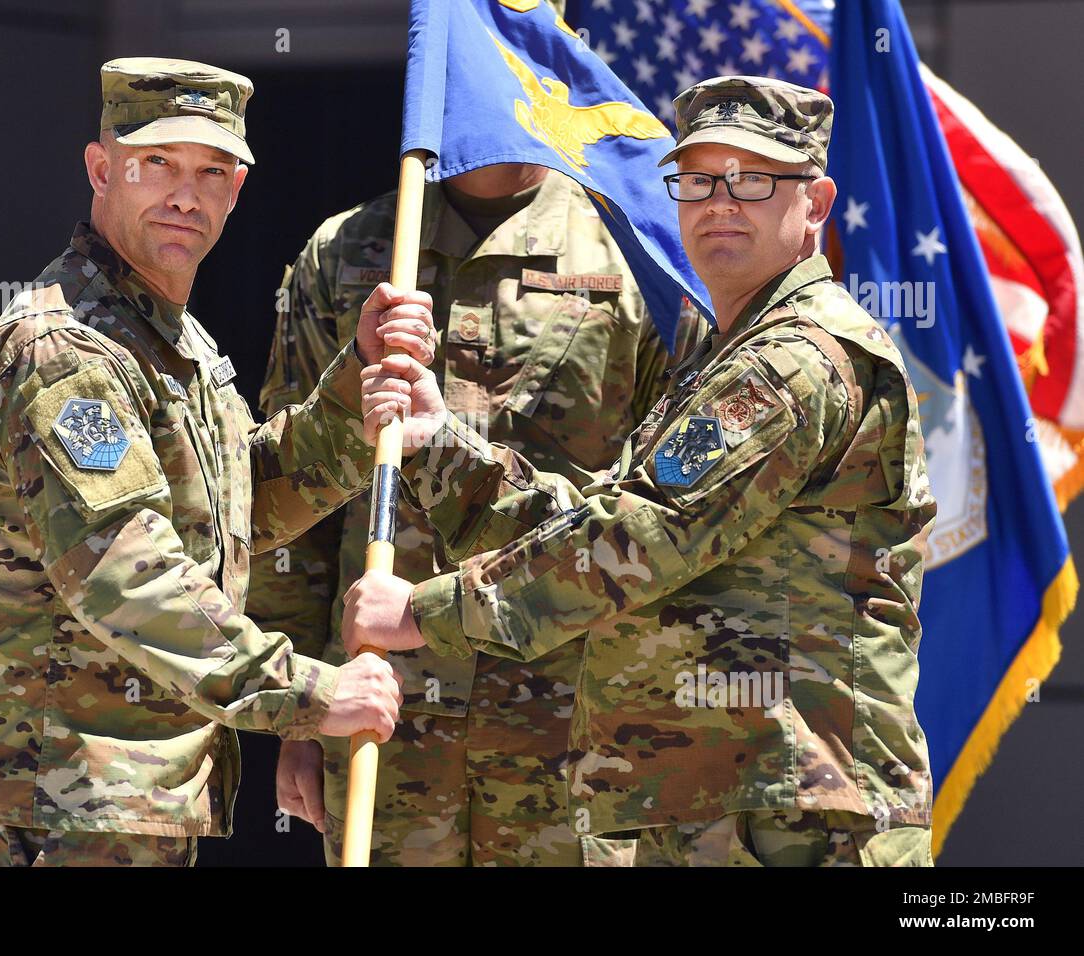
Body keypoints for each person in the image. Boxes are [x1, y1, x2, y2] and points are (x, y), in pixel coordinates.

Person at [345, 76, 937, 866]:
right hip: (723, 803)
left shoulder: (794, 360)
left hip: (794, 814)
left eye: (753, 180)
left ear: (817, 203)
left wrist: (425, 612)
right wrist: (440, 446)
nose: (720, 203)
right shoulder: (726, 355)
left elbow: (636, 542)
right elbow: (610, 520)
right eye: (698, 180)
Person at [0, 57, 434, 867]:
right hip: (49, 805)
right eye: (156, 163)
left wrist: (351, 401)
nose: (184, 194)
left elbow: (227, 511)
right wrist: (305, 690)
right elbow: (128, 572)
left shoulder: (172, 341)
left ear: (237, 191)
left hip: (123, 800)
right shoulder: (65, 351)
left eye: (211, 171)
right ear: (100, 168)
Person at [250, 161, 706, 865]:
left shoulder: (631, 251)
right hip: (387, 717)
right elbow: (290, 502)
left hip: (572, 716)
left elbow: (661, 514)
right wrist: (301, 712)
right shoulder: (350, 249)